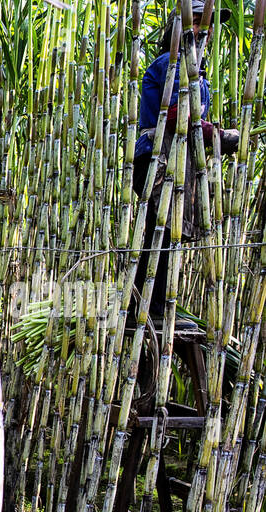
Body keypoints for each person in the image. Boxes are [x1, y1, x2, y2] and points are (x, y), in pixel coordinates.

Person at [131, 2, 238, 326]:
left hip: (177, 160)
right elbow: (178, 113)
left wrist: (214, 134)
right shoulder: (170, 61)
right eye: (194, 24)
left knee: (164, 233)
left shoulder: (199, 74)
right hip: (156, 157)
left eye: (205, 26)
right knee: (160, 233)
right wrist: (216, 134)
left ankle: (151, 306)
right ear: (177, 28)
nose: (201, 32)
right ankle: (150, 310)